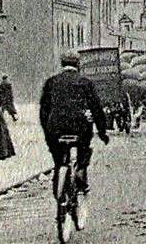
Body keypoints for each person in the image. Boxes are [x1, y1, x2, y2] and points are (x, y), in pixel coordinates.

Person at [39, 51, 109, 195]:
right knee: (84, 146)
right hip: (79, 126)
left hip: (56, 127)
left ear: (62, 64)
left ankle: (59, 171)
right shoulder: (85, 82)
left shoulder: (51, 82)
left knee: (58, 158)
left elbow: (44, 109)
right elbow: (96, 109)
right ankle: (80, 168)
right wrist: (102, 132)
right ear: (78, 64)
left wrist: (47, 131)